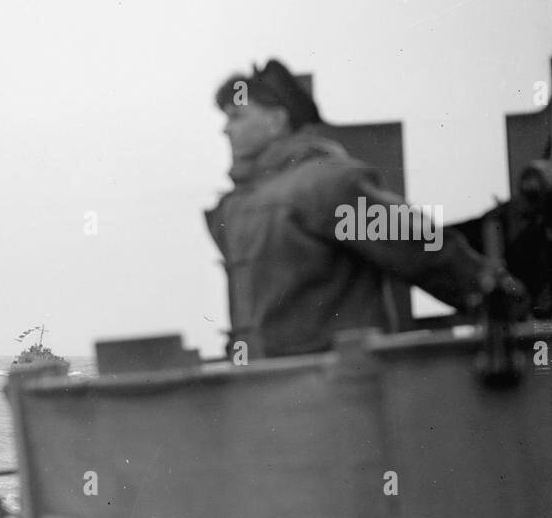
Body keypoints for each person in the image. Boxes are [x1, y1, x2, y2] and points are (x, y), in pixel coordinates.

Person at [204, 59, 524, 359]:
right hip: (283, 395)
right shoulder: (241, 206)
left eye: (237, 116)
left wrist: (498, 296)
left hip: (335, 391)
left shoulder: (325, 185)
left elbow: (418, 247)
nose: (226, 130)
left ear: (276, 121)